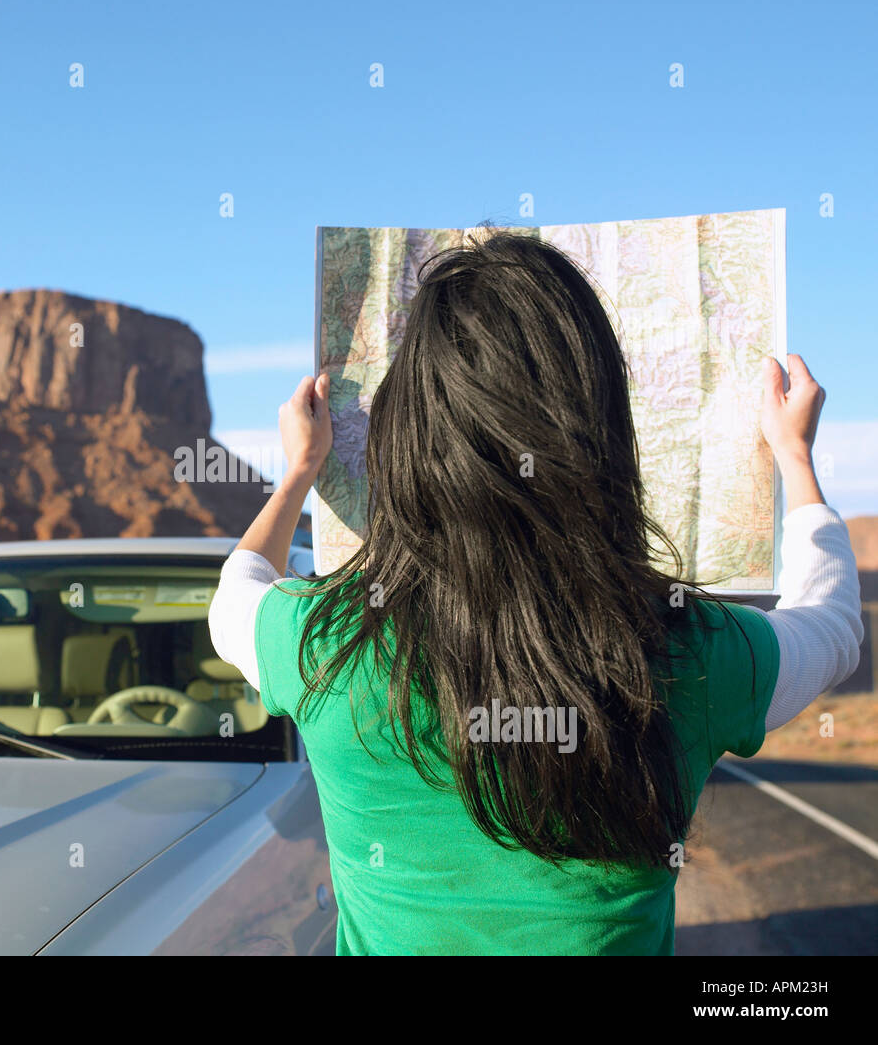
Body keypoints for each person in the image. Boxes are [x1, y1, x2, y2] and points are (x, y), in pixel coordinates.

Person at [207, 231, 863, 955]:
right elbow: (833, 626)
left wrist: (300, 471)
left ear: (408, 435)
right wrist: (795, 457)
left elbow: (234, 598)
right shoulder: (688, 653)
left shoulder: (328, 648)